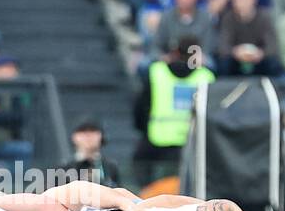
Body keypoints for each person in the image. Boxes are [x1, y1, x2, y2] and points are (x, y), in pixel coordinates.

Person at [133, 39, 215, 185]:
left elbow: (141, 106)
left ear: (175, 52)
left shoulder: (156, 71)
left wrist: (144, 129)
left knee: (141, 170)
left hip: (157, 140)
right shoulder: (206, 76)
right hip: (192, 141)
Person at [61, 120, 122, 187]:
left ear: (101, 136)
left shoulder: (110, 167)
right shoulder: (65, 167)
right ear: (74, 137)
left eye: (93, 131)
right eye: (83, 131)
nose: (88, 136)